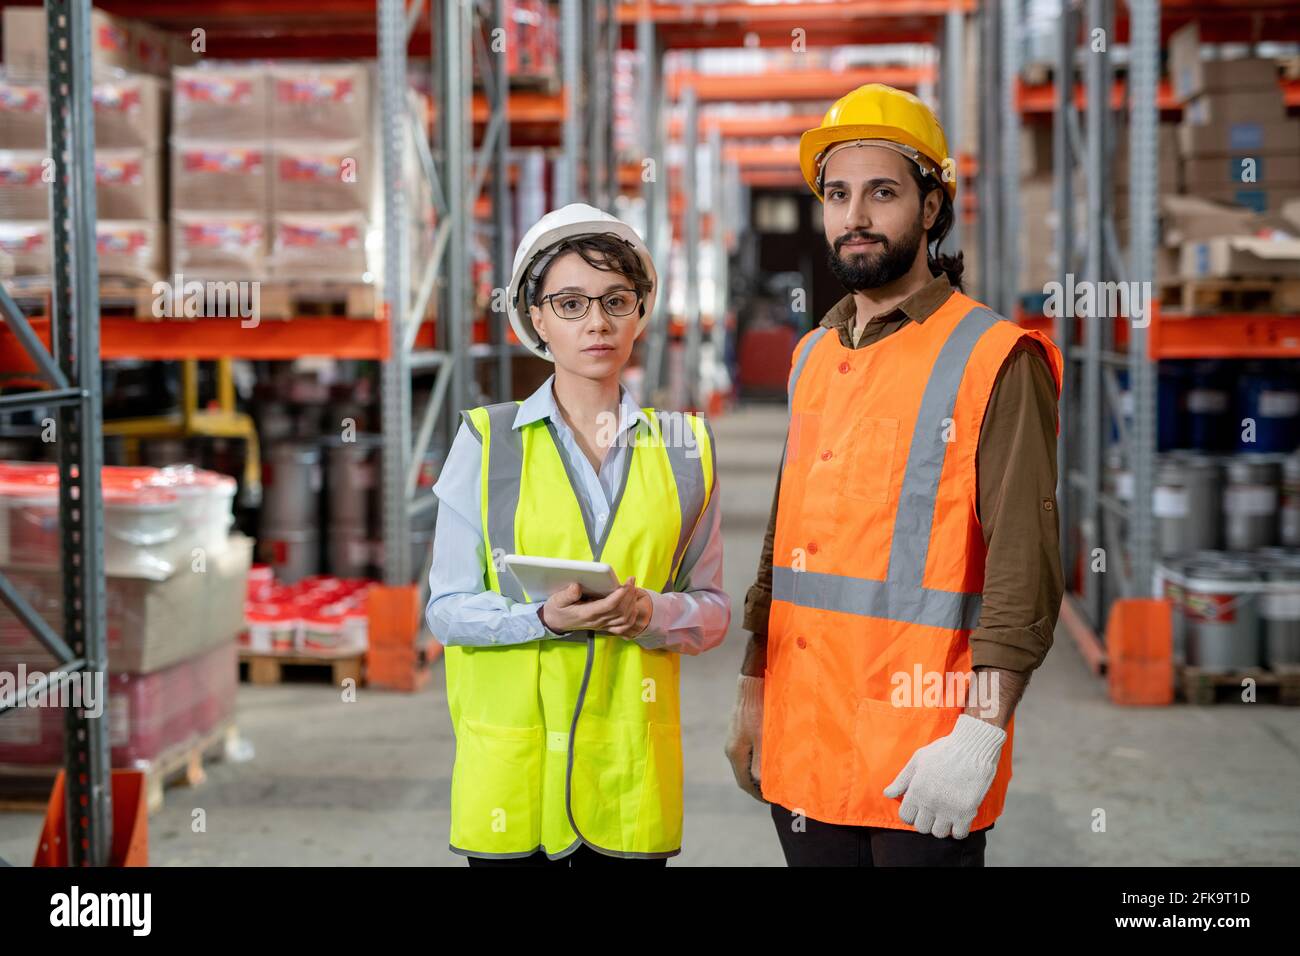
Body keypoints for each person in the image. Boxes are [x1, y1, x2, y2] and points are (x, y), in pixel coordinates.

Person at [724, 84, 1065, 867]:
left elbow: (1025, 561)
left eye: (883, 192)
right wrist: (753, 691)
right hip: (806, 743)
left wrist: (981, 731)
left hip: (923, 753)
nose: (856, 217)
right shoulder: (813, 354)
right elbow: (785, 538)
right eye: (837, 195)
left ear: (932, 206)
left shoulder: (993, 355)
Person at [427, 203, 730, 866]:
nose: (596, 322)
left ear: (641, 313)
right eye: (569, 303)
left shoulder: (686, 447)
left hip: (629, 778)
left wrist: (654, 611)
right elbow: (446, 610)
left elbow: (712, 613)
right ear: (536, 317)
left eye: (615, 301)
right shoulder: (485, 443)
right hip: (515, 778)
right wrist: (542, 618)